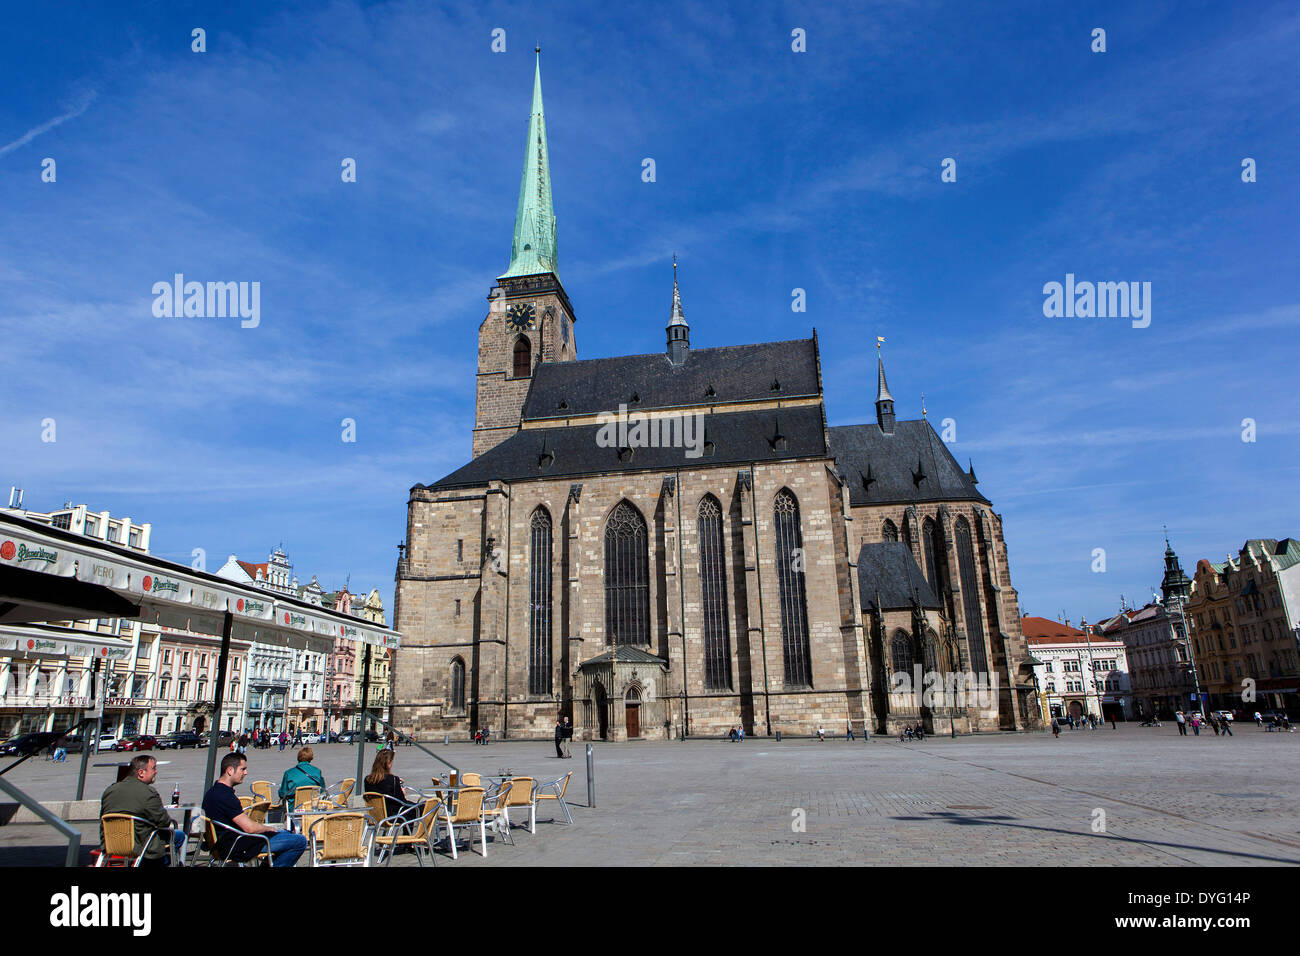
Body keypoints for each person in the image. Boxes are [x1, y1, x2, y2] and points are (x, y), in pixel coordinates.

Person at [203, 752, 305, 867]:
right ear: (230, 770)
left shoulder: (213, 792)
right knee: (299, 841)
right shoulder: (225, 795)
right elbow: (250, 828)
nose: (246, 773)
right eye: (243, 769)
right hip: (237, 844)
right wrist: (268, 828)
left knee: (286, 834)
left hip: (227, 842)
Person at [100, 753, 185, 866]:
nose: (156, 772)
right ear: (140, 773)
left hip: (112, 843)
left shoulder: (109, 791)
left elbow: (103, 819)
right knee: (179, 836)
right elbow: (164, 822)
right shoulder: (148, 793)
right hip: (142, 844)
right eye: (153, 768)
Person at [364, 749, 420, 823]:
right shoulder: (392, 780)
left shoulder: (368, 779)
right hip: (394, 815)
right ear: (388, 764)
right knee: (425, 808)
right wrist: (402, 792)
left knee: (413, 809)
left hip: (376, 815)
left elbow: (381, 785)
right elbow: (402, 802)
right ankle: (414, 833)